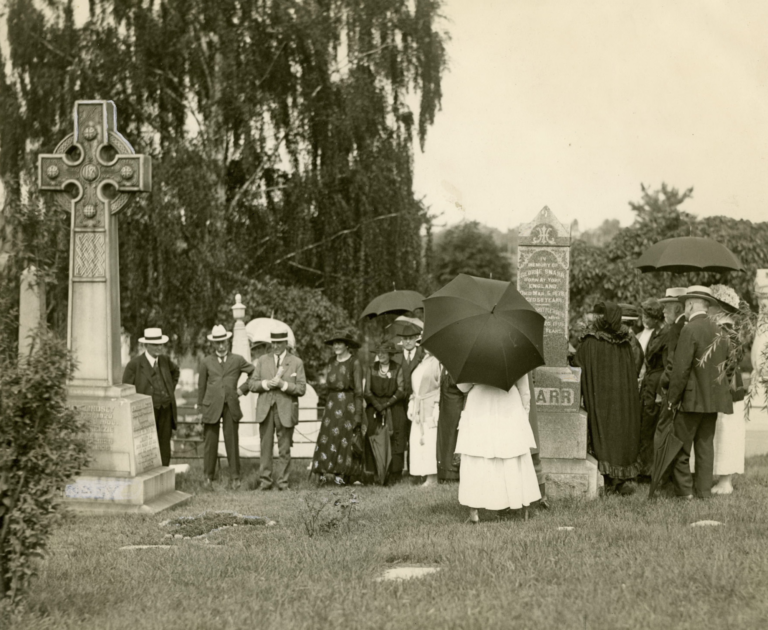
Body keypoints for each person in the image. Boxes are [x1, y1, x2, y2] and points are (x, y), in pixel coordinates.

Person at [667, 286, 733, 499]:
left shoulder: (689, 329)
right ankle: (704, 492)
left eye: (685, 305)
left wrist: (672, 399)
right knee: (705, 448)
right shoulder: (720, 330)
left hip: (690, 400)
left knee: (681, 448)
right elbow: (730, 365)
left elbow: (680, 370)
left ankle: (685, 492)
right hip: (712, 400)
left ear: (690, 305)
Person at [574, 301, 641, 494]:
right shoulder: (625, 342)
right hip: (622, 399)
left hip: (601, 399)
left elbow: (578, 366)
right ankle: (620, 479)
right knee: (619, 433)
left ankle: (610, 479)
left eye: (599, 315)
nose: (596, 318)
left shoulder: (590, 342)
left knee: (604, 432)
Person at [455, 376, 541, 523]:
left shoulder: (475, 360)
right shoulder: (513, 360)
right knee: (511, 453)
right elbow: (524, 389)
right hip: (508, 402)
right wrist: (524, 412)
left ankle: (474, 510)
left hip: (479, 404)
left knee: (477, 454)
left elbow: (463, 387)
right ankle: (518, 504)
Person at [246, 330, 306, 491]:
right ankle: (265, 482)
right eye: (274, 343)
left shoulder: (296, 362)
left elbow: (301, 388)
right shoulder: (262, 360)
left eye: (280, 343)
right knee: (265, 447)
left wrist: (283, 385)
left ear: (286, 343)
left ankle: (283, 483)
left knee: (284, 449)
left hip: (285, 410)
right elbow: (252, 384)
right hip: (265, 409)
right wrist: (265, 384)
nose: (276, 346)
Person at [196, 325, 255, 490]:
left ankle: (235, 477)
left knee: (232, 441)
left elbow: (254, 373)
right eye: (217, 343)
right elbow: (201, 387)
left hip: (231, 405)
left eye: (223, 342)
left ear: (228, 341)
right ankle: (208, 477)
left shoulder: (237, 359)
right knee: (210, 443)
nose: (221, 346)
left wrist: (241, 390)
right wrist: (200, 410)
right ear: (213, 343)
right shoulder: (206, 362)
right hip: (211, 406)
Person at [708, 285, 746, 495]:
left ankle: (725, 481)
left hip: (728, 391)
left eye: (710, 305)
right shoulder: (728, 331)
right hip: (729, 389)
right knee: (723, 432)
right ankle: (722, 478)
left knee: (726, 432)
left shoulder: (726, 332)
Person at [311, 333, 364, 485]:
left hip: (348, 405)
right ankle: (323, 472)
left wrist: (358, 414)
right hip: (331, 405)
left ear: (347, 345)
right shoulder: (331, 361)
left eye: (340, 343)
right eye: (334, 344)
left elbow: (359, 391)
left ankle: (342, 474)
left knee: (344, 439)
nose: (336, 346)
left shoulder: (354, 362)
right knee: (327, 437)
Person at [122, 327, 180, 467]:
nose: (159, 347)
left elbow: (176, 372)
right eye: (155, 344)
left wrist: (169, 390)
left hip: (166, 410)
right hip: (146, 413)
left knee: (164, 445)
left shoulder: (165, 361)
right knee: (147, 447)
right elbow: (126, 390)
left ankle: (164, 473)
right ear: (146, 345)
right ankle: (149, 474)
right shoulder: (134, 365)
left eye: (160, 344)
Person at [363, 341, 406, 485]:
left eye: (384, 352)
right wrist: (378, 406)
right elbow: (367, 391)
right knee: (373, 437)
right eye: (378, 352)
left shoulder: (397, 368)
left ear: (390, 354)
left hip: (394, 408)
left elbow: (401, 390)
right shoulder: (371, 368)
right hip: (374, 408)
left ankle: (393, 476)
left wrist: (387, 405)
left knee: (395, 439)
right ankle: (375, 475)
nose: (380, 355)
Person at [637, 298, 668, 478]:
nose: (643, 319)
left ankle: (649, 471)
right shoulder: (652, 333)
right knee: (645, 426)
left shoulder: (664, 334)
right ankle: (645, 468)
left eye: (646, 316)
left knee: (650, 426)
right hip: (649, 383)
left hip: (655, 384)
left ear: (655, 317)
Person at [393, 322, 424, 481]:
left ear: (416, 338)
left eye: (411, 338)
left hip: (418, 402)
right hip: (400, 402)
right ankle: (398, 470)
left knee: (416, 434)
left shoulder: (422, 354)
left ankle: (415, 470)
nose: (408, 342)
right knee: (400, 434)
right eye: (405, 339)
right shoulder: (396, 356)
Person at [408, 348, 442, 487]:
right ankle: (420, 473)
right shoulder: (420, 361)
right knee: (417, 440)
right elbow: (415, 388)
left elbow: (440, 387)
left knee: (429, 440)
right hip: (418, 406)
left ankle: (432, 477)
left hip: (430, 406)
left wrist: (437, 405)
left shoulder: (438, 362)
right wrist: (411, 403)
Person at [436, 369, 466, 482]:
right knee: (444, 438)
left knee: (453, 437)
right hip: (445, 406)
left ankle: (454, 473)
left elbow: (465, 390)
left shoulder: (460, 368)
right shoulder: (444, 368)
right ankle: (444, 471)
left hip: (456, 406)